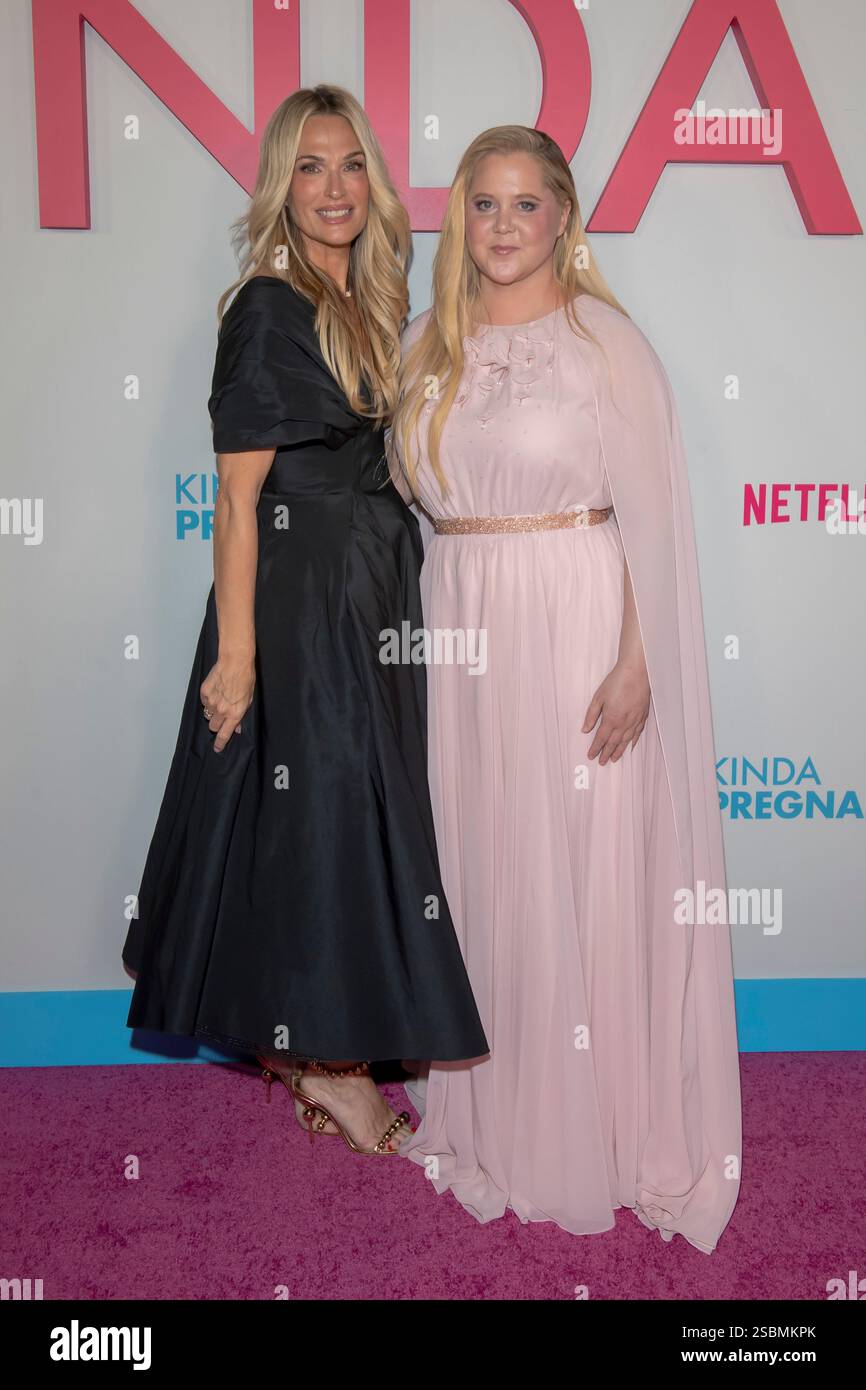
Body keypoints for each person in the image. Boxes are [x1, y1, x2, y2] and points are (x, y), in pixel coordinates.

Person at [389, 126, 742, 1244]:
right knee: (487, 865)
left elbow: (654, 521)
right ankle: (494, 1113)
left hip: (580, 621)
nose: (500, 226)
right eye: (480, 205)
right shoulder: (419, 346)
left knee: (583, 870)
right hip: (462, 627)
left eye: (523, 204)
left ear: (562, 217)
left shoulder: (605, 343)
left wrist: (638, 659)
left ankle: (600, 1123)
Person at [122, 85, 488, 1157]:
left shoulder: (370, 299)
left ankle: (319, 1049)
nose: (333, 189)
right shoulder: (267, 307)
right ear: (280, 187)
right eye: (310, 168)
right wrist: (238, 656)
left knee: (342, 820)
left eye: (350, 166)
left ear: (372, 182)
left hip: (367, 594)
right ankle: (332, 1070)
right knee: (319, 822)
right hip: (301, 600)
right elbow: (237, 498)